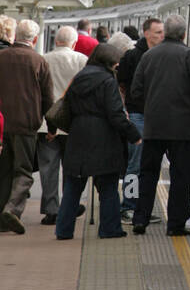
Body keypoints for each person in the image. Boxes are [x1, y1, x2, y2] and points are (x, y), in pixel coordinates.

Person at [130, 15, 190, 236]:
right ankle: (175, 225)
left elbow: (135, 90)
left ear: (165, 33)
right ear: (185, 34)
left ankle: (140, 219)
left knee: (147, 174)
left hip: (154, 126)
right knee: (181, 176)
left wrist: (148, 108)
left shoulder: (149, 56)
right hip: (184, 128)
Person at [54, 44, 140, 240]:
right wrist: (133, 135)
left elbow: (67, 106)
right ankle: (109, 229)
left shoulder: (79, 77)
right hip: (103, 137)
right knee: (108, 187)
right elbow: (116, 114)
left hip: (77, 135)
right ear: (109, 62)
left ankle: (63, 230)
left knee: (73, 187)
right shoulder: (108, 81)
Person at [0, 19, 54, 233]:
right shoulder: (38, 61)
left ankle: (2, 217)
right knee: (23, 171)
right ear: (35, 39)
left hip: (3, 125)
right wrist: (51, 126)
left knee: (3, 171)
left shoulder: (1, 58)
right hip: (26, 124)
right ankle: (12, 210)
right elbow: (48, 98)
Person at [36, 26, 86, 225]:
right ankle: (69, 206)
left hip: (46, 124)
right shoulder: (82, 60)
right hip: (72, 124)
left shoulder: (43, 59)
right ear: (74, 43)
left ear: (56, 41)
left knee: (48, 167)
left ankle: (51, 209)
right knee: (71, 168)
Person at [117, 17, 164, 217]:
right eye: (157, 32)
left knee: (150, 167)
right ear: (146, 34)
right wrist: (125, 110)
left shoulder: (162, 55)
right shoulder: (132, 56)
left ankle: (142, 208)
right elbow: (121, 85)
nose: (162, 36)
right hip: (137, 116)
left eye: (163, 32)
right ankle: (128, 206)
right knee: (135, 165)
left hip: (157, 118)